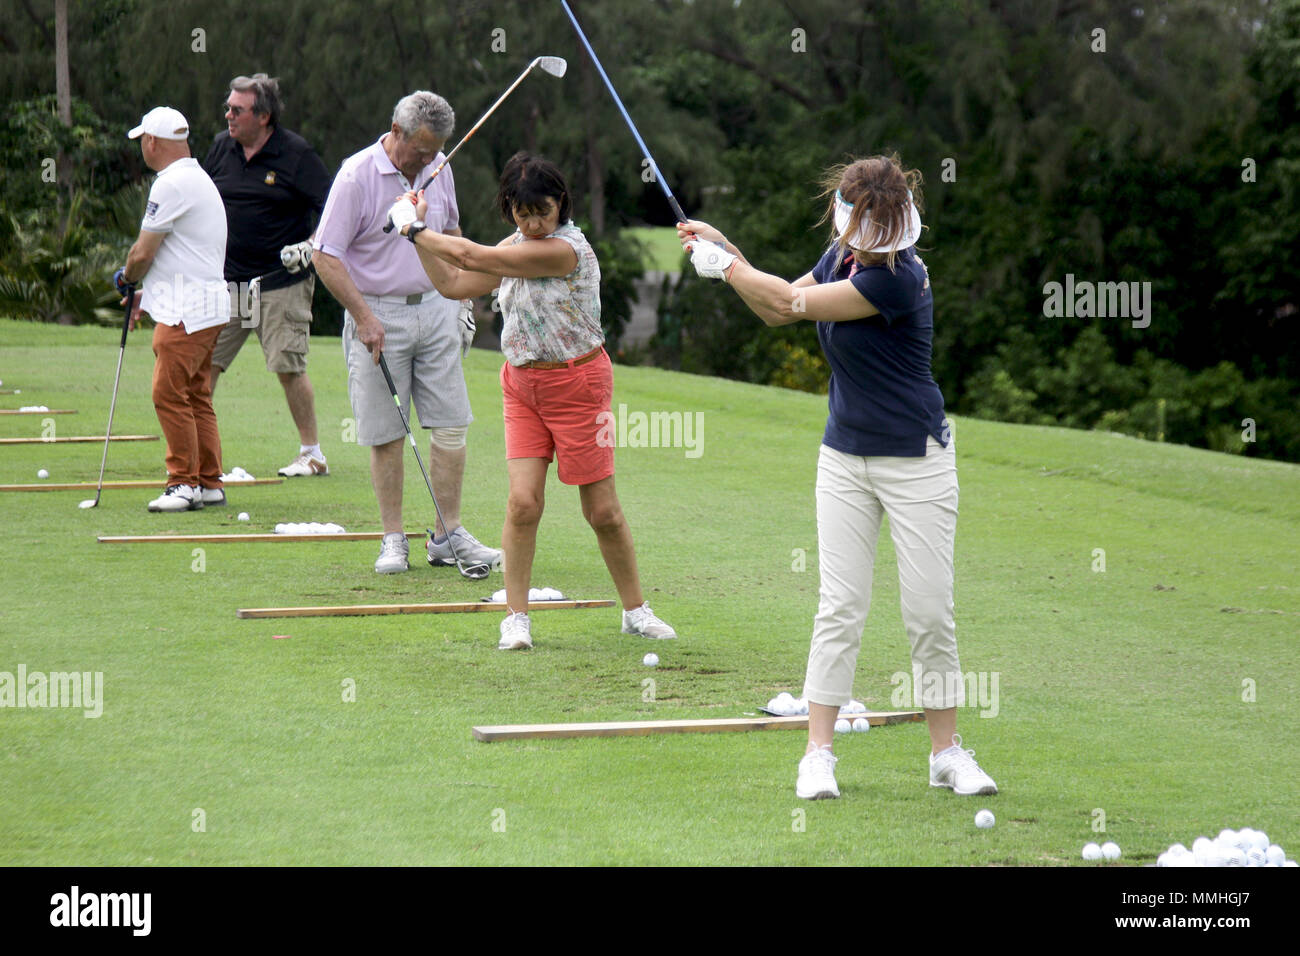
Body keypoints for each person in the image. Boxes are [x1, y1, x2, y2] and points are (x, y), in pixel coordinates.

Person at [677, 153, 997, 800]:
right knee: (840, 607)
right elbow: (776, 309)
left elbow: (792, 302)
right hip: (845, 456)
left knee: (930, 612)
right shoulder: (841, 259)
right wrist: (725, 251)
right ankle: (817, 755)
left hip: (917, 459)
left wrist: (728, 267)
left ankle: (947, 753)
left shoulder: (899, 280)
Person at [389, 152, 676, 650]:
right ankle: (516, 617)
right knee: (523, 503)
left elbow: (475, 258)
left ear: (561, 203)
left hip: (580, 386)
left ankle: (635, 610)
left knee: (602, 511)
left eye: (542, 211)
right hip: (522, 386)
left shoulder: (565, 250)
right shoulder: (517, 244)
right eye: (522, 215)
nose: (534, 223)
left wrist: (414, 229)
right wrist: (417, 236)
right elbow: (454, 281)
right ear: (510, 211)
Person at [311, 91, 498, 574]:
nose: (427, 160)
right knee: (387, 432)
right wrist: (364, 318)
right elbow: (325, 255)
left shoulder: (440, 168)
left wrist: (465, 294)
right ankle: (393, 538)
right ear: (396, 131)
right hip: (377, 311)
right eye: (420, 150)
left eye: (436, 150)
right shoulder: (356, 176)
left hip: (437, 306)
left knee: (451, 423)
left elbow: (453, 235)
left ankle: (446, 534)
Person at [202, 73, 333, 478]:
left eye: (236, 110)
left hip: (281, 281)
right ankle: (199, 457)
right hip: (230, 282)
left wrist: (312, 244)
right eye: (228, 108)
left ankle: (312, 453)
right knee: (204, 365)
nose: (228, 116)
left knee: (287, 366)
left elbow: (333, 209)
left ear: (263, 117)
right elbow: (203, 199)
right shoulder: (223, 147)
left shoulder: (296, 154)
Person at [113, 106, 231, 513]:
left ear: (152, 142)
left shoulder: (171, 184)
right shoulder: (196, 178)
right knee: (196, 394)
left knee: (168, 393)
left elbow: (143, 252)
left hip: (188, 311)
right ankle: (209, 481)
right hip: (206, 305)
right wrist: (149, 295)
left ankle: (183, 483)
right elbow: (185, 256)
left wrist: (127, 279)